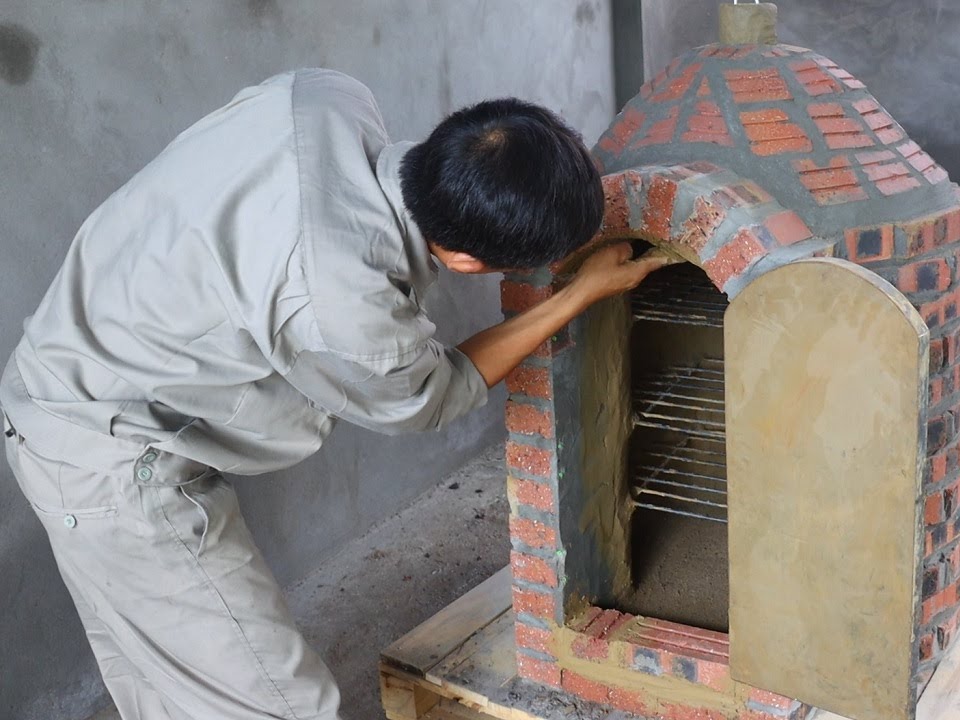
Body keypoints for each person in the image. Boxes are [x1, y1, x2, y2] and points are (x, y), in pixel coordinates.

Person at [0, 68, 665, 720]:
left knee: (164, 688)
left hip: (58, 378)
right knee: (283, 705)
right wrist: (577, 294)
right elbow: (438, 393)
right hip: (109, 461)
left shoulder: (322, 96)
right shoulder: (347, 307)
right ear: (465, 262)